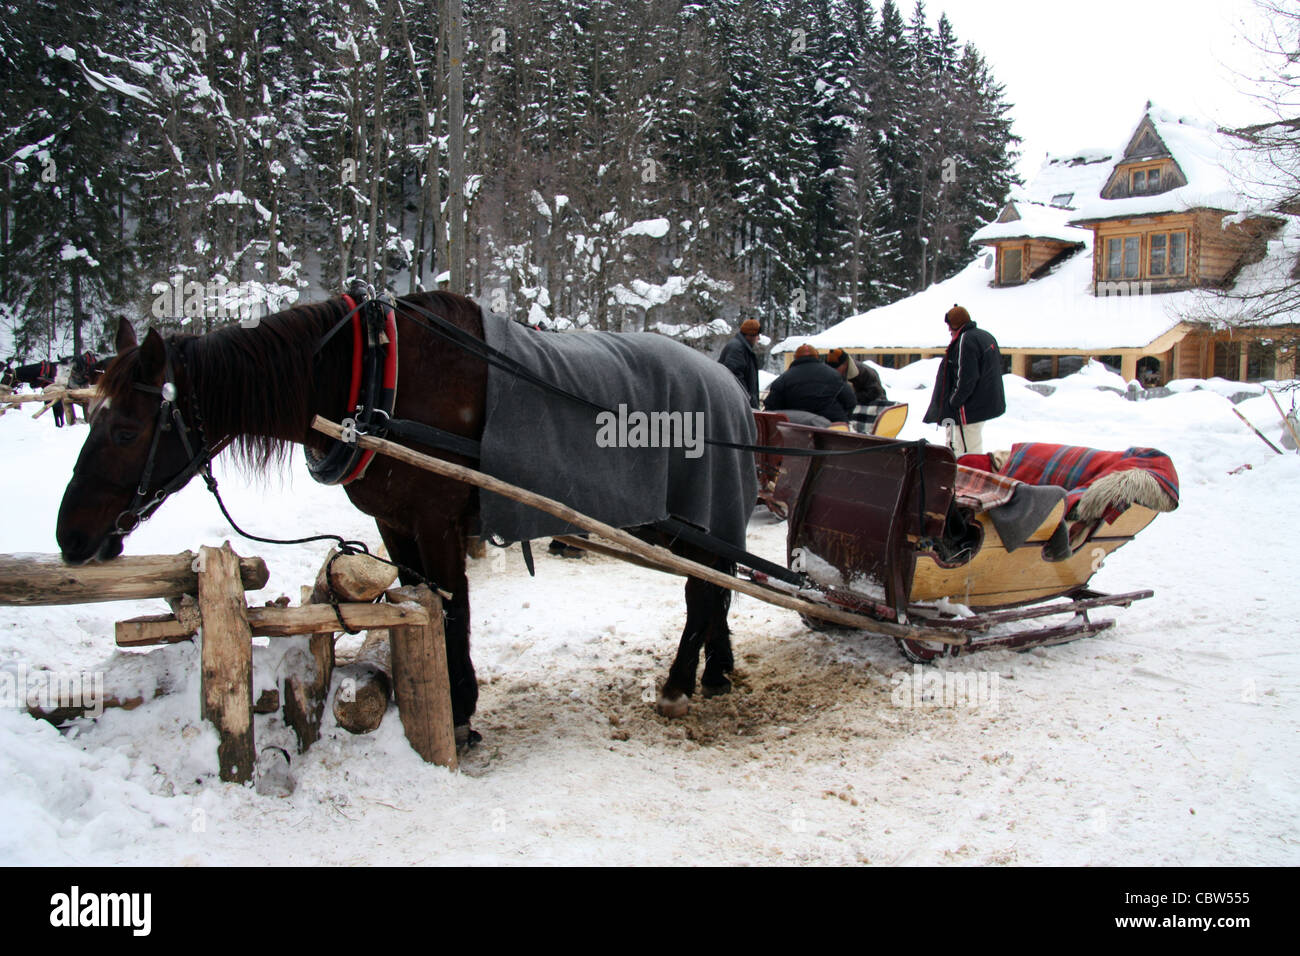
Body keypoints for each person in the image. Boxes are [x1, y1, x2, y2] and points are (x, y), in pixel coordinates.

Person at [922, 304, 1005, 456]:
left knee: (960, 450)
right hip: (980, 405)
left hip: (967, 409)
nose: (948, 330)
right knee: (973, 447)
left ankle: (962, 477)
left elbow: (966, 376)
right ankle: (972, 474)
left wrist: (954, 401)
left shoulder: (965, 340)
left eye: (949, 325)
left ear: (956, 324)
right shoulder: (985, 336)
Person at [764, 344, 856, 424]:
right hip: (831, 427)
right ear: (816, 357)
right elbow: (850, 401)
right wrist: (843, 417)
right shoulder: (834, 376)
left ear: (796, 358)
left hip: (794, 429)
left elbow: (771, 406)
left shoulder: (783, 379)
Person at [826, 348, 891, 434]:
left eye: (836, 368)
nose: (834, 371)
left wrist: (850, 397)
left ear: (845, 364)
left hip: (873, 404)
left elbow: (875, 392)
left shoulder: (863, 372)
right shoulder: (833, 373)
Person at [718, 318, 761, 409]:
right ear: (751, 335)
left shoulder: (741, 348)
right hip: (738, 405)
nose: (758, 338)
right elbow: (735, 376)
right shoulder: (738, 349)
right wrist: (748, 400)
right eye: (757, 335)